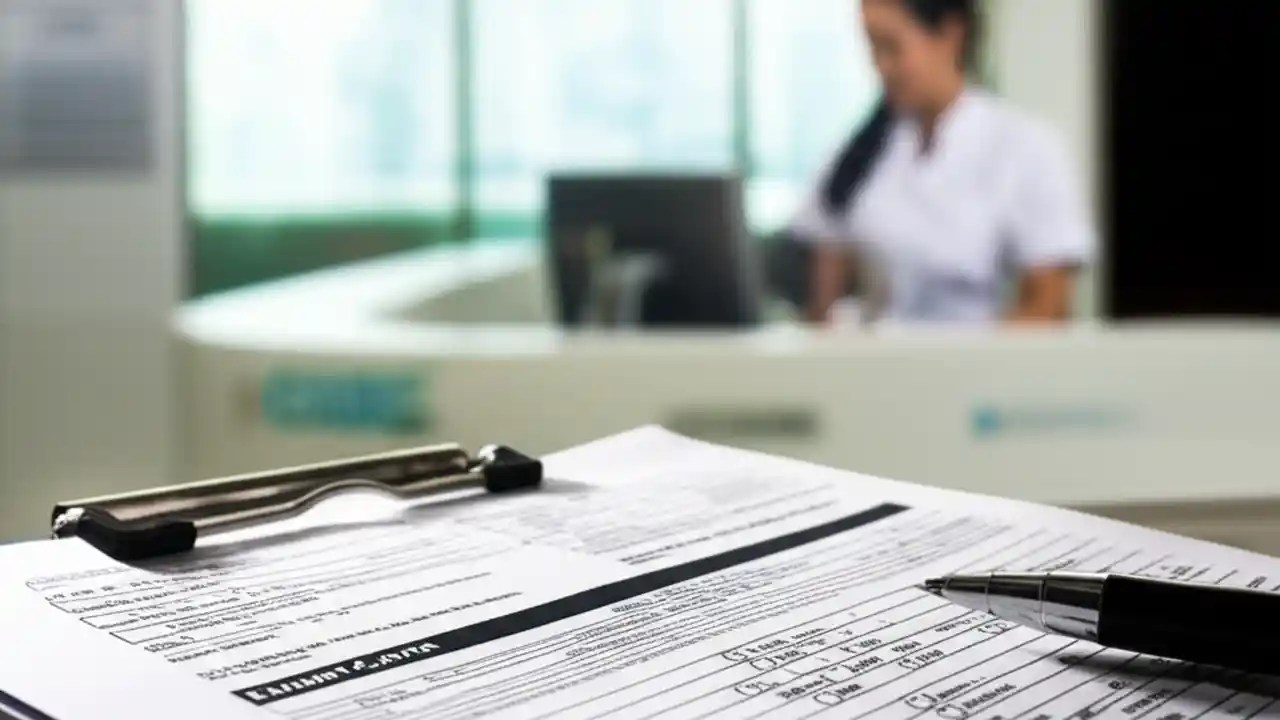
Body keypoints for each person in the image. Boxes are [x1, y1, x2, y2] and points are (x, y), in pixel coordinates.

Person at [795, 0, 1093, 327]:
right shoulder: (859, 153)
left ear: (950, 34)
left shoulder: (1025, 148)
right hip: (875, 364)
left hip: (983, 365)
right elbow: (823, 298)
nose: (881, 67)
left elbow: (1048, 306)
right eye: (872, 48)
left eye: (891, 47)